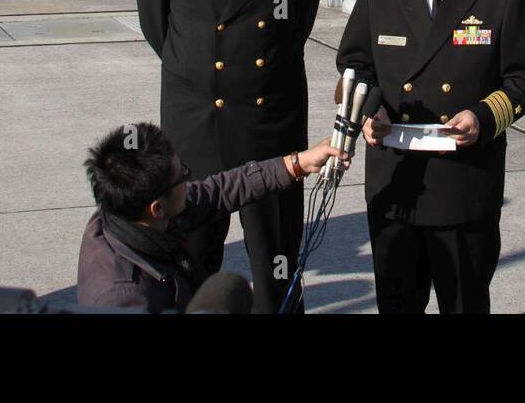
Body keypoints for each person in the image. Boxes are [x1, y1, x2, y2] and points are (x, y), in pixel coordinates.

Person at [132, 0, 327, 313]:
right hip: (198, 125)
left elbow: (297, 23)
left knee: (277, 263)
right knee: (193, 260)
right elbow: (160, 28)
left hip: (270, 121)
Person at [336, 0, 525, 313]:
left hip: (464, 181)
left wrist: (483, 118)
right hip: (397, 182)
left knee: (464, 304)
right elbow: (355, 67)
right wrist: (370, 113)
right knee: (397, 305)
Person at [77, 122, 346, 313]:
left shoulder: (126, 212)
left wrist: (297, 163)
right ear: (157, 208)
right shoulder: (123, 298)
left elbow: (221, 190)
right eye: (182, 175)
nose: (189, 178)